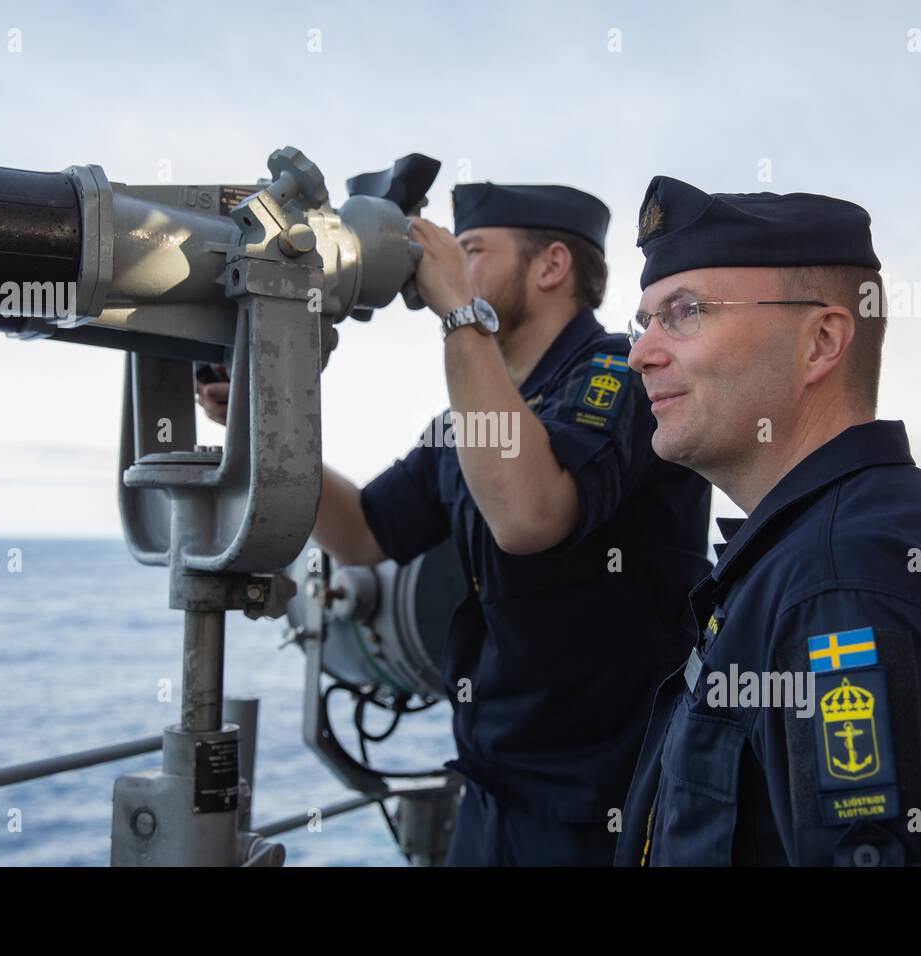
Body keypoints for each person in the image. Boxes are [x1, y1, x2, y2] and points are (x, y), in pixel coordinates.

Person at [200, 182, 713, 865]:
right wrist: (263, 422)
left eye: (471, 250)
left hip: (607, 795)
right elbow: (361, 534)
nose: (446, 264)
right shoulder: (468, 423)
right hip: (494, 779)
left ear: (551, 266)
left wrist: (456, 314)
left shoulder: (620, 376)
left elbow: (530, 514)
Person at [614, 177, 921, 866]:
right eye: (644, 321)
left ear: (821, 342)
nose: (641, 353)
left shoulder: (843, 584)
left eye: (685, 311)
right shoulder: (821, 554)